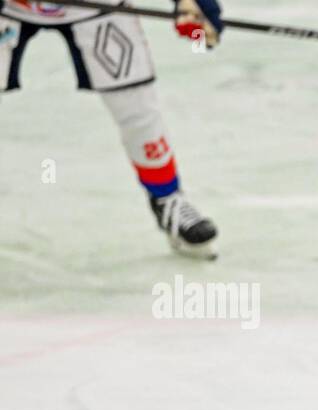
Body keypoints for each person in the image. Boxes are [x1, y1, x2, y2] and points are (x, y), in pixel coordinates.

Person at [0, 0, 222, 258]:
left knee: (137, 107)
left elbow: (200, 28)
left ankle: (167, 198)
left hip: (97, 6)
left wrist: (196, 11)